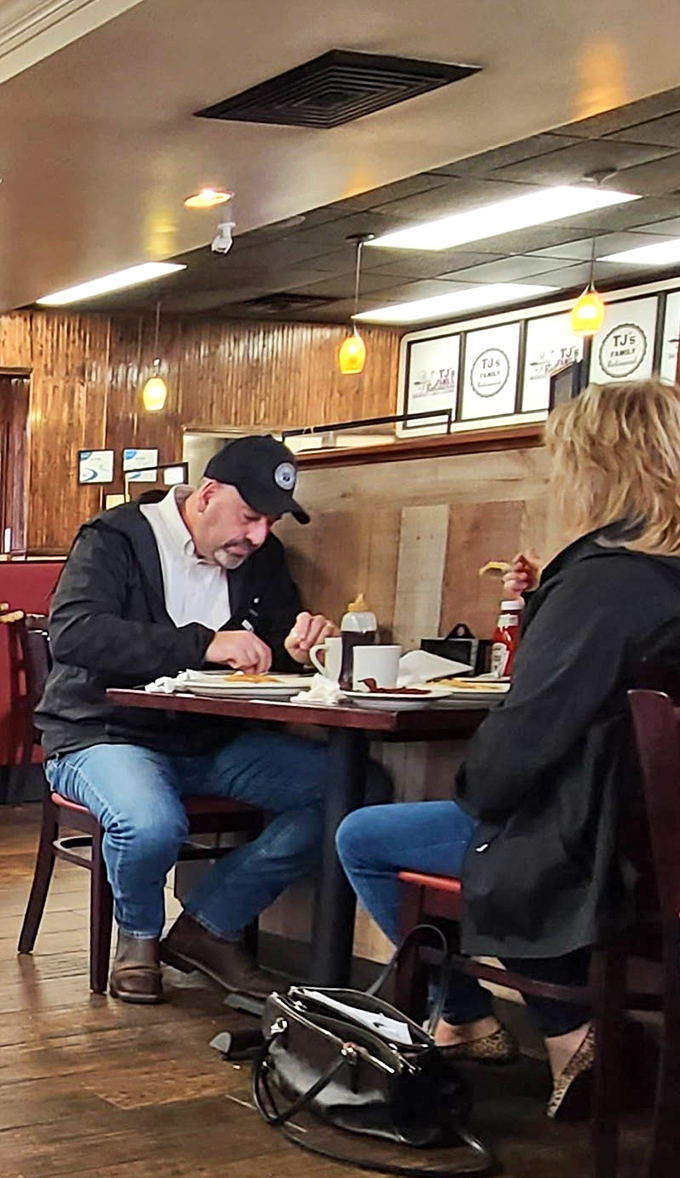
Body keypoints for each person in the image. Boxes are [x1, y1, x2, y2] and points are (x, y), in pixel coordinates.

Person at [337, 379, 680, 1119]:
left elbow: (511, 760)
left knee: (366, 833)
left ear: (596, 470)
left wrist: (478, 786)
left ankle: (509, 1020)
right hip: (657, 847)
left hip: (594, 849)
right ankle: (502, 1025)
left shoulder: (605, 584)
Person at [36, 435, 339, 1005]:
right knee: (151, 823)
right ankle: (140, 938)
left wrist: (296, 646)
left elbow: (267, 639)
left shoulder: (261, 559)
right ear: (206, 496)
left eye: (269, 523)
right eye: (249, 517)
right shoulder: (116, 538)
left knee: (350, 791)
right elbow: (75, 632)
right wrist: (203, 645)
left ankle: (207, 926)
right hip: (101, 732)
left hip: (212, 740)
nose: (258, 536)